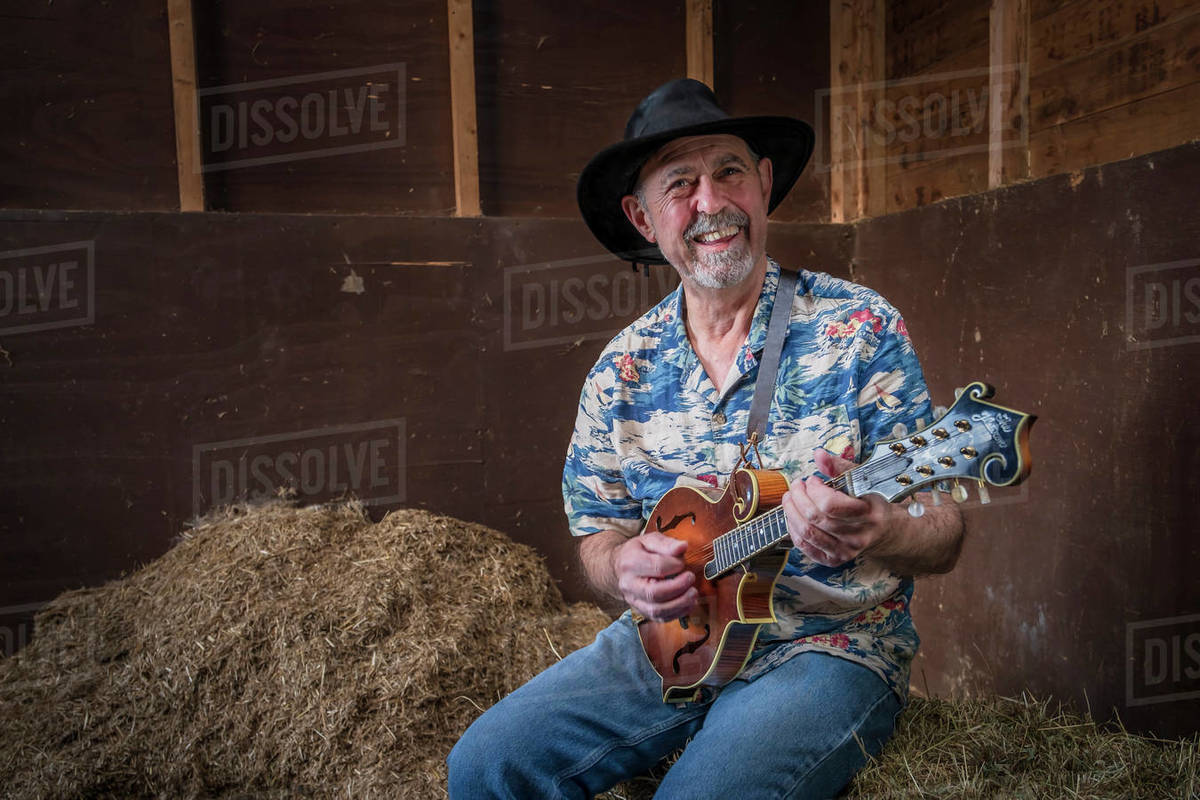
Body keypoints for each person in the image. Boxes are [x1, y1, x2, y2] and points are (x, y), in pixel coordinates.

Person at [448, 79, 964, 799]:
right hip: (672, 644)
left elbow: (942, 530)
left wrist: (879, 527)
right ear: (642, 218)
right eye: (680, 185)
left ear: (763, 182)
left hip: (826, 648)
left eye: (728, 172)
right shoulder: (621, 369)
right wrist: (623, 565)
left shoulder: (859, 329)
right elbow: (598, 536)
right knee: (484, 766)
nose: (711, 203)